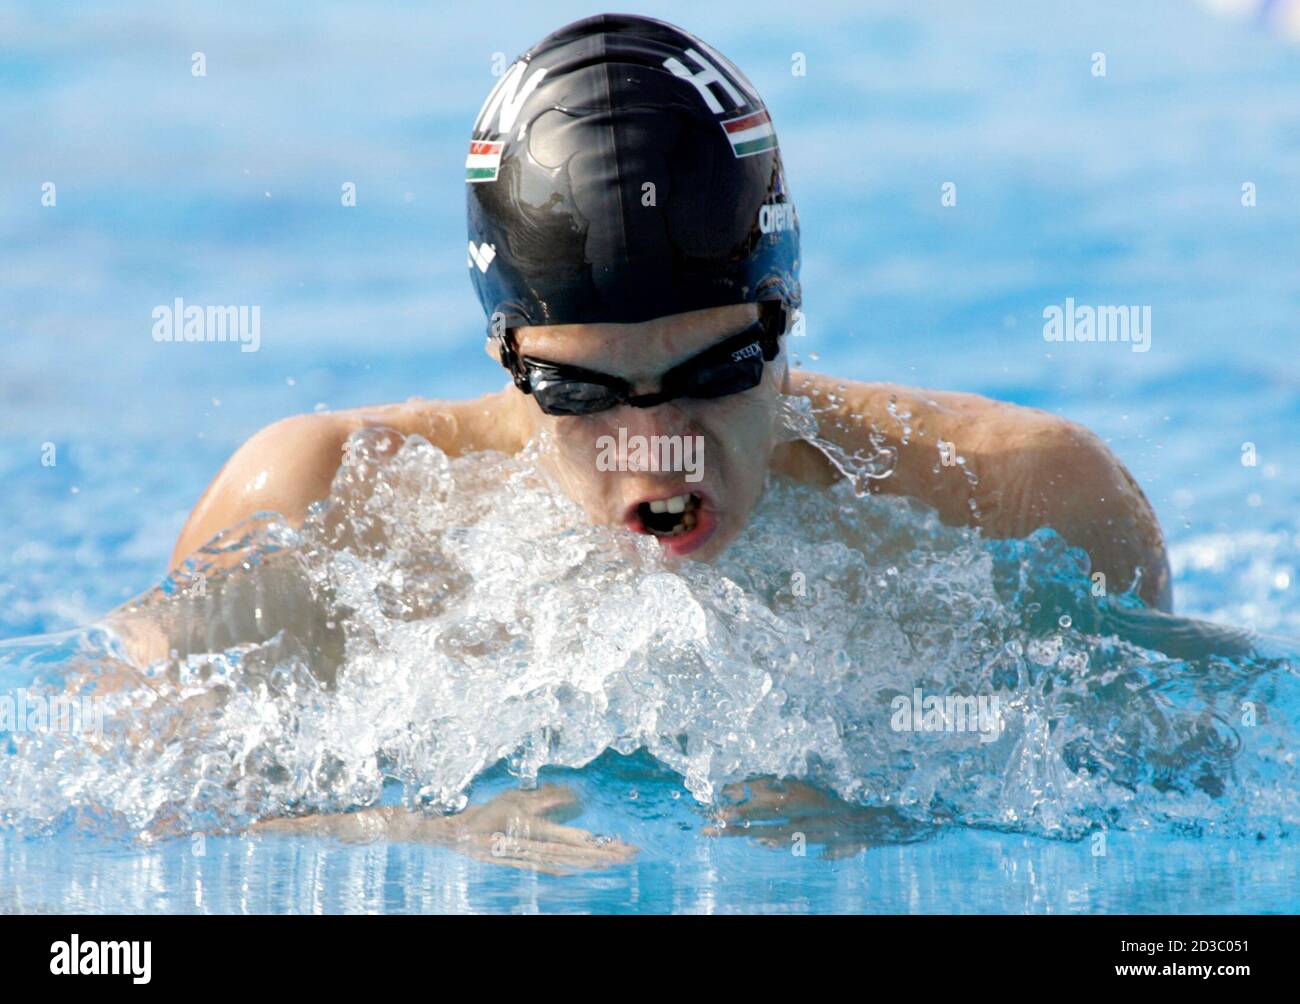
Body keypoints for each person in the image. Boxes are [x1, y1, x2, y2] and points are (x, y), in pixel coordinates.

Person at [153, 14, 1176, 868]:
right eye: (580, 391)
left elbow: (1167, 809)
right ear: (507, 358)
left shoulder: (1023, 499)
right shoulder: (324, 502)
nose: (655, 453)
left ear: (784, 316)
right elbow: (130, 795)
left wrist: (907, 829)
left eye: (712, 373)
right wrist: (420, 834)